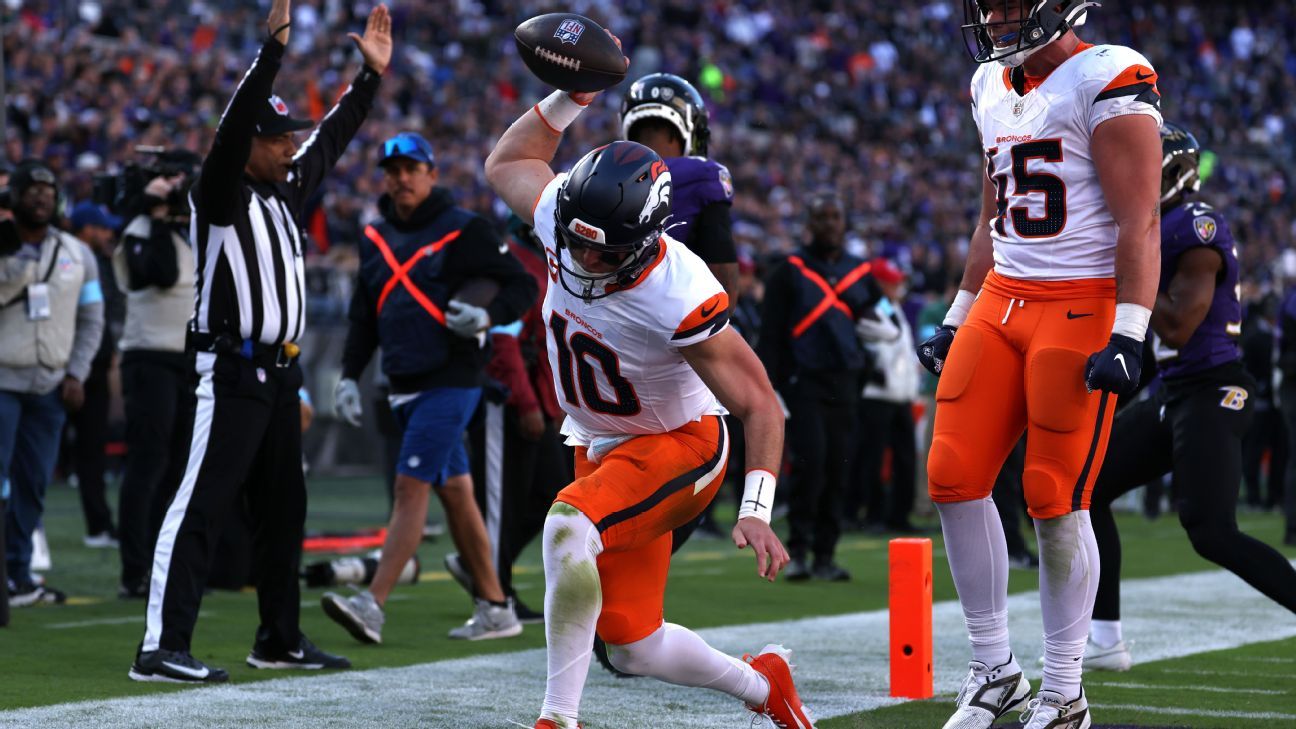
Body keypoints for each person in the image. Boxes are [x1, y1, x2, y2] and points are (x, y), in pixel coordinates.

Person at [484, 53, 815, 729]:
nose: (584, 260)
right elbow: (507, 163)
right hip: (602, 442)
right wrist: (568, 97)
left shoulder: (677, 290)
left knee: (566, 526)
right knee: (631, 644)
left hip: (680, 441)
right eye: (576, 244)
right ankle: (764, 687)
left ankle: (557, 719)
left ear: (644, 241)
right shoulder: (568, 220)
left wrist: (756, 506)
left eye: (605, 253)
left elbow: (757, 400)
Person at [915, 2, 1163, 727]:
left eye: (1014, 1)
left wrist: (1131, 331)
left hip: (1079, 299)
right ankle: (994, 671)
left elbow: (1138, 218)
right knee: (953, 475)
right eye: (989, 2)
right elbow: (995, 206)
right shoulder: (988, 82)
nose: (996, 15)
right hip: (1001, 296)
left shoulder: (1109, 73)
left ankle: (1063, 693)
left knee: (1053, 491)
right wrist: (959, 313)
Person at [129, 0, 391, 683]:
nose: (289, 146)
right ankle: (160, 646)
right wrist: (269, 54)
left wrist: (367, 82)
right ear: (249, 141)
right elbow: (229, 138)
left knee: (285, 510)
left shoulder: (284, 190)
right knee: (201, 501)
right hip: (231, 369)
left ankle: (279, 636)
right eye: (276, 137)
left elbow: (330, 141)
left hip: (281, 376)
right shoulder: (218, 193)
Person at [1087, 122, 1296, 672]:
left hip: (1214, 387)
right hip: (1173, 390)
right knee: (1086, 489)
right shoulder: (1155, 225)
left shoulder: (1194, 225)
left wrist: (1129, 269)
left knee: (1210, 532)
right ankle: (1105, 639)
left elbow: (1178, 326)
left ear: (1174, 172)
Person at [323, 131, 536, 644]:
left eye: (409, 169)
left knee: (409, 488)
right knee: (458, 495)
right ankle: (495, 606)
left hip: (451, 379)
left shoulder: (465, 229)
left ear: (431, 173)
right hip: (400, 381)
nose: (399, 179)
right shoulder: (373, 238)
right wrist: (350, 374)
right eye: (391, 171)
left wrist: (486, 315)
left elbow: (522, 285)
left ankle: (371, 603)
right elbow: (363, 316)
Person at [759, 191, 885, 582]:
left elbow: (880, 324)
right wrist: (771, 387)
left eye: (836, 217)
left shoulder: (860, 272)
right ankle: (797, 550)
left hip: (846, 385)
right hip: (804, 384)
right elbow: (771, 334)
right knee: (810, 466)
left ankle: (826, 555)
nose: (831, 224)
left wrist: (879, 345)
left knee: (838, 469)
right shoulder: (789, 270)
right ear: (810, 225)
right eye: (823, 217)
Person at [1, 160, 105, 606]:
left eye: (49, 189)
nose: (41, 196)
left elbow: (92, 317)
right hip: (2, 380)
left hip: (51, 386)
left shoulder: (78, 253)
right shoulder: (2, 247)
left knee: (33, 483)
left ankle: (19, 575)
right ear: (14, 197)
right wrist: (16, 262)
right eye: (32, 189)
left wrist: (78, 371)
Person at [459, 216, 571, 624]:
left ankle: (484, 563)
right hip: (506, 399)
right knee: (501, 503)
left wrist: (550, 404)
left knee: (549, 495)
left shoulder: (542, 263)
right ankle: (494, 593)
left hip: (536, 396)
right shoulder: (516, 263)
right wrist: (526, 402)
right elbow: (505, 343)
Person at [113, 164, 202, 599]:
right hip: (149, 356)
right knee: (148, 465)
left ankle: (162, 565)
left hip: (184, 358)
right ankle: (134, 570)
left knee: (178, 468)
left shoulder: (188, 232)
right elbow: (160, 273)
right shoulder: (140, 228)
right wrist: (153, 212)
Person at [621, 73, 738, 298]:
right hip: (666, 319)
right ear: (685, 129)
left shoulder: (591, 171)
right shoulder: (703, 174)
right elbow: (725, 288)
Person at [66, 201, 125, 549]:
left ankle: (99, 523)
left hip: (94, 363)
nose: (108, 234)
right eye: (101, 228)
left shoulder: (101, 261)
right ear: (85, 229)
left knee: (92, 449)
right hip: (66, 364)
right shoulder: (72, 258)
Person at [852, 258, 922, 534]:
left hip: (900, 394)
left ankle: (899, 515)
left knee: (905, 459)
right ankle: (874, 514)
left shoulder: (891, 308)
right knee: (873, 458)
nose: (898, 286)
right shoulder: (867, 309)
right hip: (876, 395)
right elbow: (884, 339)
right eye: (892, 282)